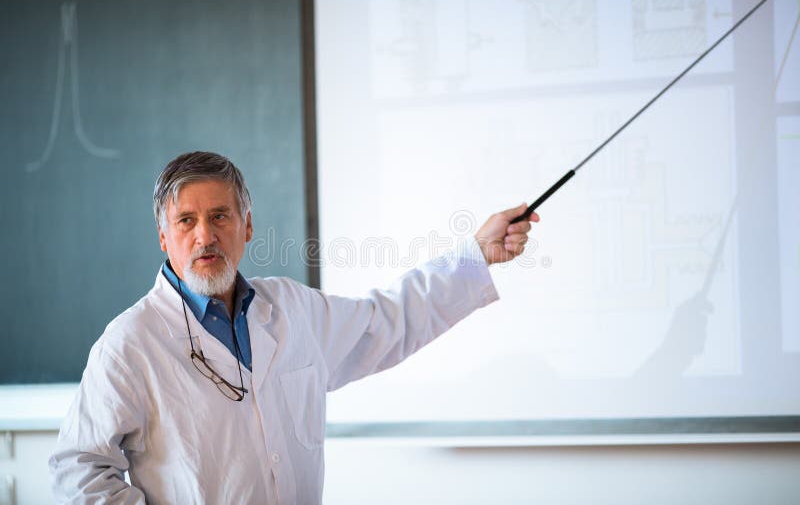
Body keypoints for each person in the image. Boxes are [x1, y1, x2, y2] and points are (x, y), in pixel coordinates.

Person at [49, 151, 540, 504]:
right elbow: (79, 470)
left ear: (247, 226)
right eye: (186, 221)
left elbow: (389, 319)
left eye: (221, 215)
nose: (205, 234)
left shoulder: (291, 309)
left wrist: (476, 254)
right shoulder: (129, 344)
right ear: (163, 236)